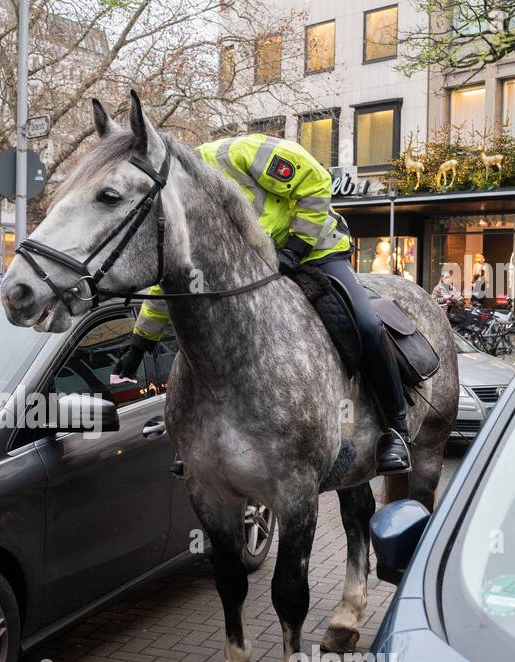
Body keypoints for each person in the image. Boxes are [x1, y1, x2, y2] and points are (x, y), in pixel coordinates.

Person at [113, 132, 412, 474]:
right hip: (252, 265)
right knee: (209, 330)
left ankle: (395, 429)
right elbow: (179, 274)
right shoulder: (174, 204)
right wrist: (141, 341)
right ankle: (203, 438)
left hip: (315, 251)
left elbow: (315, 181)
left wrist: (295, 248)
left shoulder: (239, 153)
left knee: (365, 324)